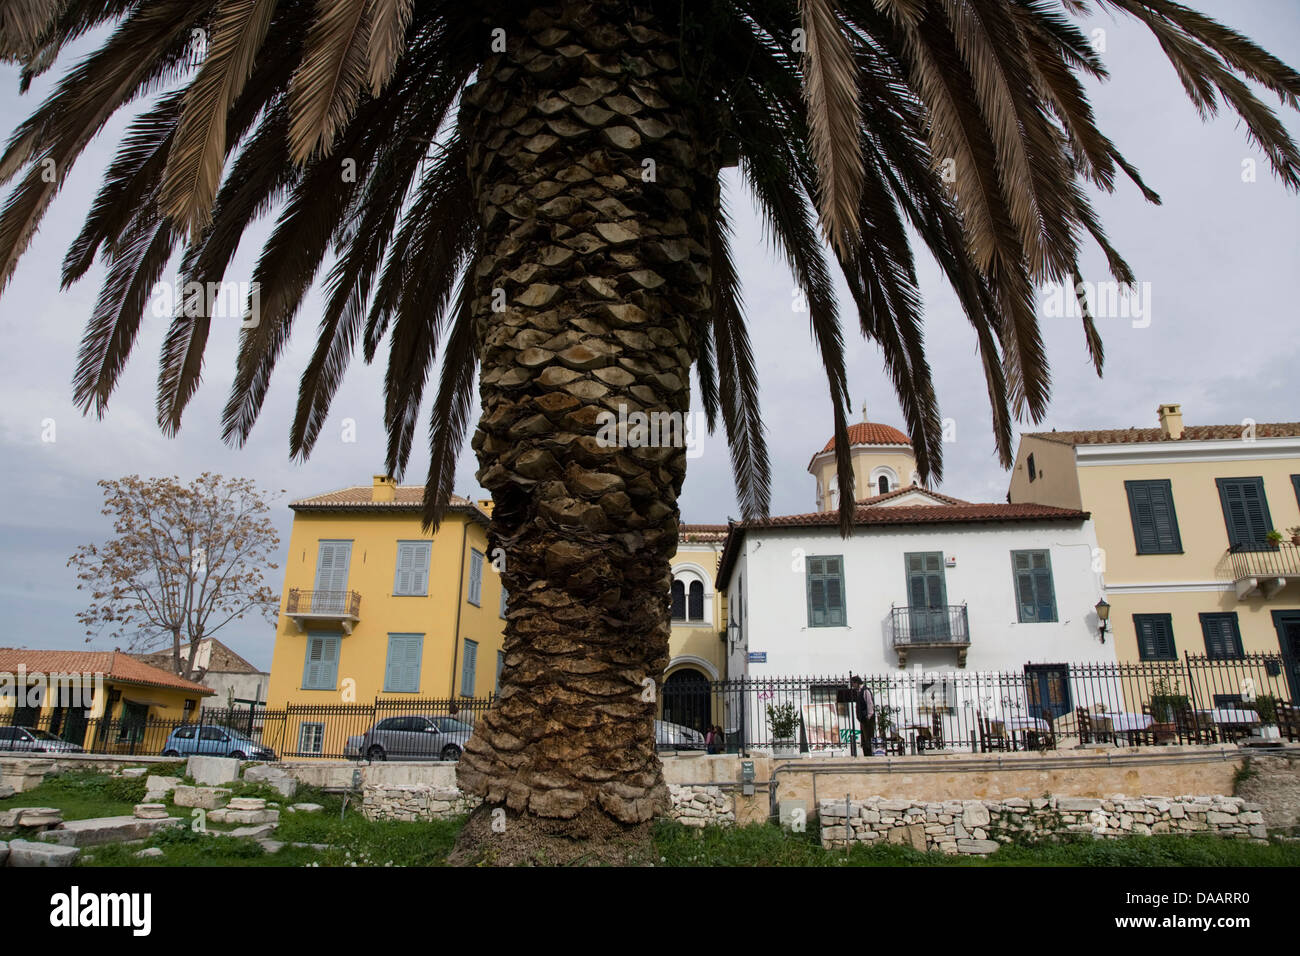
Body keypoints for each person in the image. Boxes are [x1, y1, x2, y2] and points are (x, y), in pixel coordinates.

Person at [850, 676, 875, 757]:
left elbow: (869, 704)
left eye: (853, 683)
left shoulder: (865, 691)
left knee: (868, 738)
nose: (852, 686)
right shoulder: (860, 691)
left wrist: (868, 716)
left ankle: (870, 755)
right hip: (863, 719)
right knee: (864, 739)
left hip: (867, 719)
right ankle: (866, 755)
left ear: (856, 682)